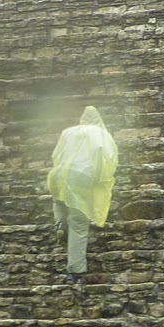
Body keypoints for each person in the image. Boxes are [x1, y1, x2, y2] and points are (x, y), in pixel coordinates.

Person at [46, 105, 119, 284]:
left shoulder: (68, 132)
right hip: (82, 177)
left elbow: (56, 155)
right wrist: (100, 180)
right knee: (79, 224)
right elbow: (108, 159)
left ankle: (61, 224)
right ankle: (75, 272)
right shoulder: (102, 134)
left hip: (58, 174)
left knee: (59, 199)